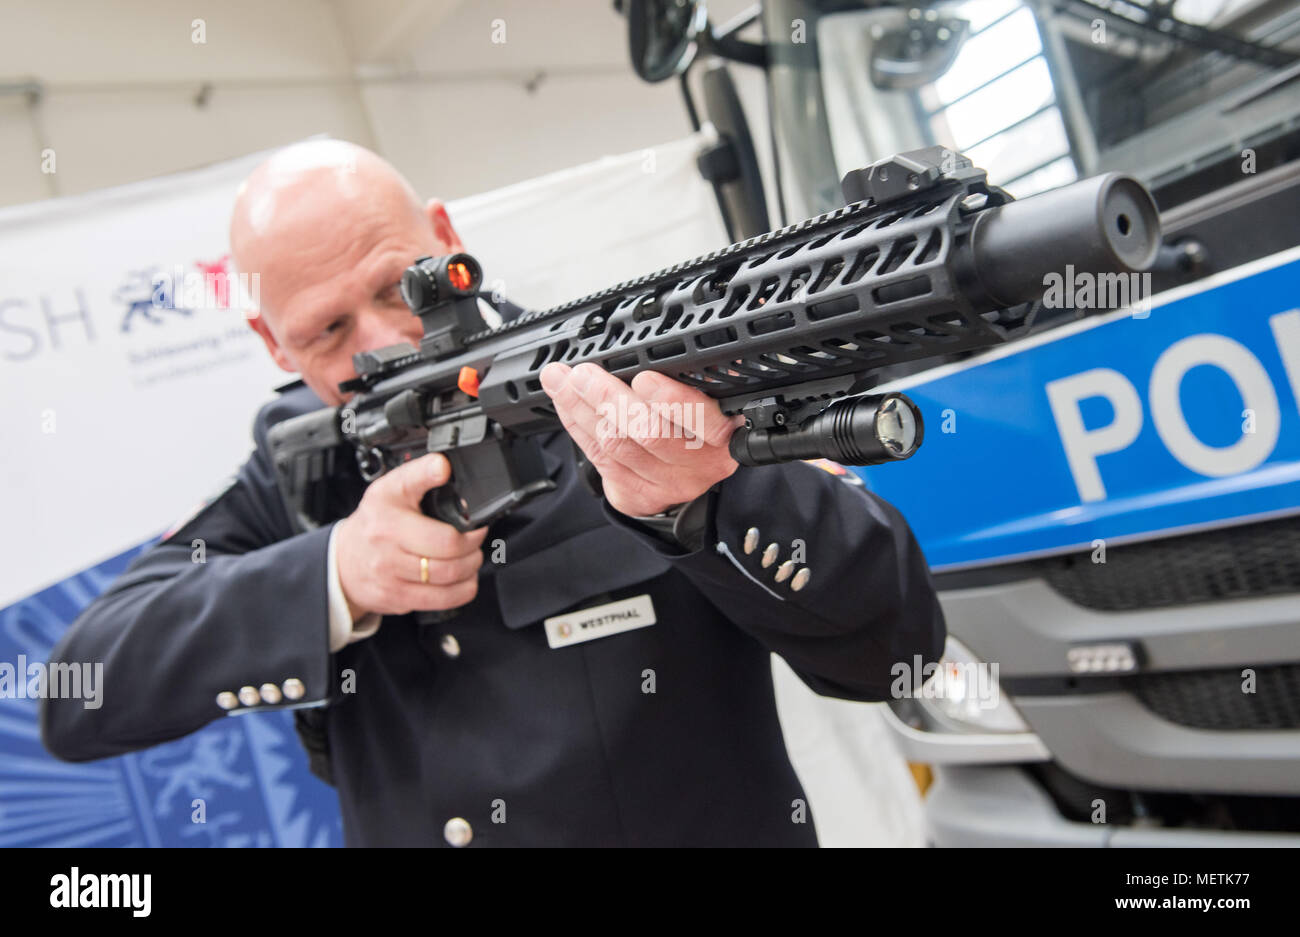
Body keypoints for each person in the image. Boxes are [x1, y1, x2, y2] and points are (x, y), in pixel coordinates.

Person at [40, 140, 945, 847]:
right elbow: (81, 691)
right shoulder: (300, 465)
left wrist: (708, 500)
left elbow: (896, 650)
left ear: (445, 235)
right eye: (326, 330)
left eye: (396, 286)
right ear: (272, 343)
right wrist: (336, 572)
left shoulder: (621, 380)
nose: (382, 340)